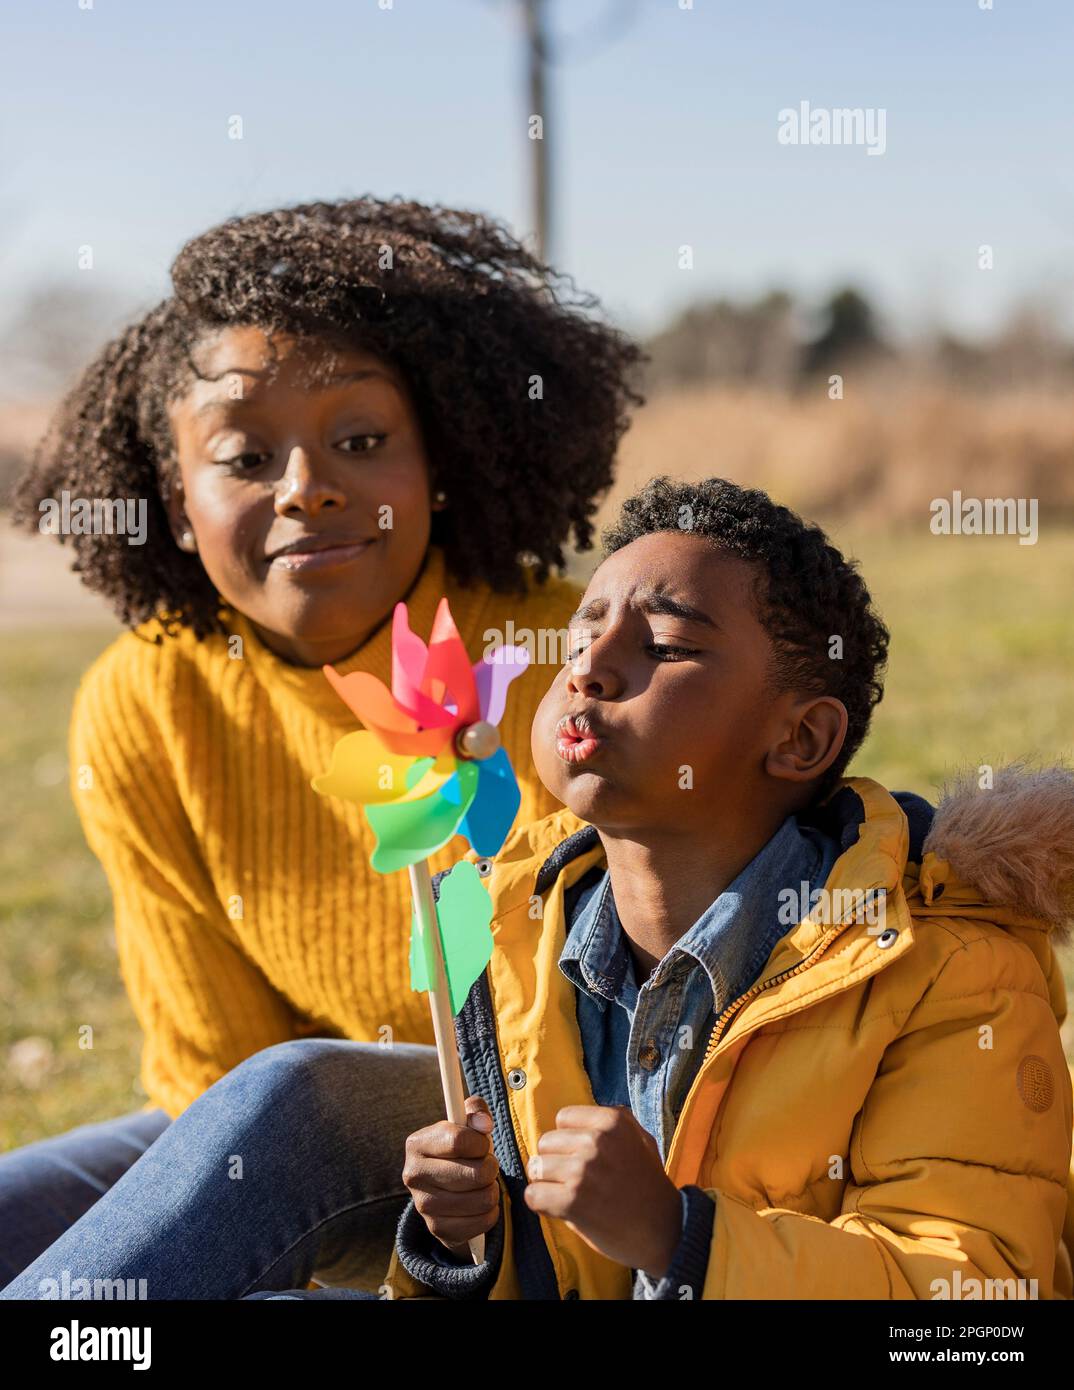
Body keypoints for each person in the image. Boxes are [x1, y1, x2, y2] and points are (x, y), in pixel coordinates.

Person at [4, 477, 1070, 1301]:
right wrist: (460, 1242)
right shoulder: (507, 922)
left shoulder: (949, 969)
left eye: (663, 644)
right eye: (586, 629)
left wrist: (681, 1236)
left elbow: (971, 1313)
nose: (591, 663)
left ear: (802, 736)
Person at [0, 194, 642, 1289]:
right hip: (280, 1157)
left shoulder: (562, 653)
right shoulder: (143, 703)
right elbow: (210, 1088)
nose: (307, 486)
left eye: (359, 439)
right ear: (176, 494)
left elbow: (614, 1019)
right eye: (244, 456)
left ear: (435, 459)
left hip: (546, 1142)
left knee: (296, 1093)